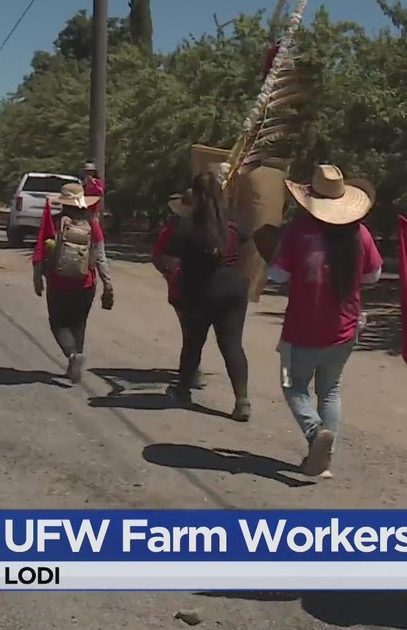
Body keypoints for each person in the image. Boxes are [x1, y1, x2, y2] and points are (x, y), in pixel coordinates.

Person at [267, 165, 383, 478]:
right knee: (330, 389)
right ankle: (324, 460)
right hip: (345, 329)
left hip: (302, 331)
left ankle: (315, 434)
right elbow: (373, 275)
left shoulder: (299, 232)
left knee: (292, 386)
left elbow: (277, 276)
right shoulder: (360, 233)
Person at [162, 168, 251, 421]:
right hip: (234, 290)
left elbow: (170, 259)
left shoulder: (187, 225)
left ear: (197, 195)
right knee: (232, 345)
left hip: (199, 290)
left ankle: (182, 392)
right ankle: (242, 400)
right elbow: (243, 242)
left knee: (193, 344)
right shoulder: (232, 225)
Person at [32, 182, 114, 383]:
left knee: (58, 323)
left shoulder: (55, 221)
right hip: (85, 284)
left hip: (58, 283)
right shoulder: (92, 224)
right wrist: (108, 284)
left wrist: (37, 276)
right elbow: (101, 257)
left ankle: (72, 356)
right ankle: (75, 360)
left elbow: (42, 251)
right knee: (79, 322)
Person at [153, 194, 201, 388]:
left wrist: (168, 274)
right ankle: (191, 371)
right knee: (193, 331)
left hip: (180, 286)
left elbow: (157, 257)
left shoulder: (171, 229)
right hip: (198, 286)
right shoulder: (213, 228)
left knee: (189, 330)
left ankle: (190, 371)